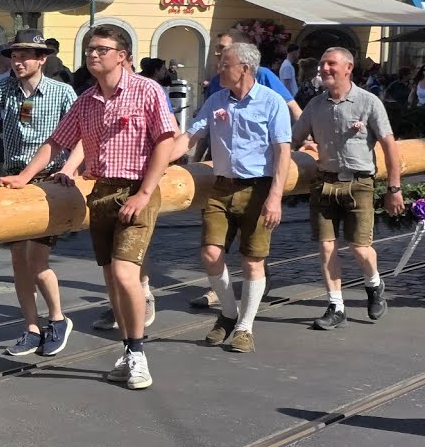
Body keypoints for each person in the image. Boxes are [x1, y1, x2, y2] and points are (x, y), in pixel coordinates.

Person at [3, 26, 177, 390]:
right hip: (101, 192)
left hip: (138, 189)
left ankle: (138, 354)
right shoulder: (87, 100)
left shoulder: (146, 90)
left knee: (126, 275)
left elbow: (165, 141)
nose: (93, 54)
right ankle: (128, 350)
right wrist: (24, 177)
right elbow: (56, 142)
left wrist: (144, 193)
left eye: (101, 49)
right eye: (89, 49)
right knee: (112, 280)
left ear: (122, 56)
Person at [0, 29, 82, 356]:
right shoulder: (8, 87)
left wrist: (69, 169)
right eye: (15, 56)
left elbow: (82, 136)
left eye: (25, 57)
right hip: (12, 181)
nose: (18, 62)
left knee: (37, 260)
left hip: (48, 182)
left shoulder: (62, 92)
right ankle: (31, 328)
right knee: (20, 263)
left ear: (42, 59)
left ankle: (58, 318)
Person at [169, 43, 292, 353]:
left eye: (225, 65)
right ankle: (228, 312)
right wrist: (158, 162)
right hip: (221, 187)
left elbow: (283, 152)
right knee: (210, 253)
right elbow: (189, 137)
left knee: (252, 260)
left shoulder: (272, 102)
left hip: (259, 188)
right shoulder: (216, 100)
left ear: (244, 69)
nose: (218, 70)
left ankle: (244, 327)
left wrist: (275, 197)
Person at [291, 47, 405, 330]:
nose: (324, 69)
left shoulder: (368, 102)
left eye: (331, 64)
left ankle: (374, 285)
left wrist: (394, 188)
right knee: (326, 246)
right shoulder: (315, 105)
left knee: (360, 248)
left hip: (359, 184)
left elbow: (390, 146)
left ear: (348, 68)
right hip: (325, 183)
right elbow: (292, 139)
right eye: (322, 64)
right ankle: (336, 306)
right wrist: (300, 146)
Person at [206, 31, 301, 121]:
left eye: (222, 48)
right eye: (216, 48)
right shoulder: (216, 81)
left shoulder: (262, 74)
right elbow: (207, 116)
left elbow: (294, 110)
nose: (216, 53)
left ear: (240, 50)